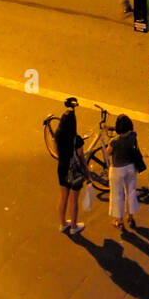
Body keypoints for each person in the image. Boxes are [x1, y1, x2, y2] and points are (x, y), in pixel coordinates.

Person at [55, 99, 87, 236]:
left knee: (63, 197)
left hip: (62, 168)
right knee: (74, 200)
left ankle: (63, 223)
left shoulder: (58, 136)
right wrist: (87, 173)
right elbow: (81, 157)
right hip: (74, 171)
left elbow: (57, 152)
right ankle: (74, 226)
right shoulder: (76, 139)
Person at [108, 114, 142, 230]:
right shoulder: (133, 136)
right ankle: (130, 217)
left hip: (117, 170)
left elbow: (108, 153)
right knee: (131, 192)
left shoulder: (114, 141)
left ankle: (119, 220)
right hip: (131, 167)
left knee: (117, 195)